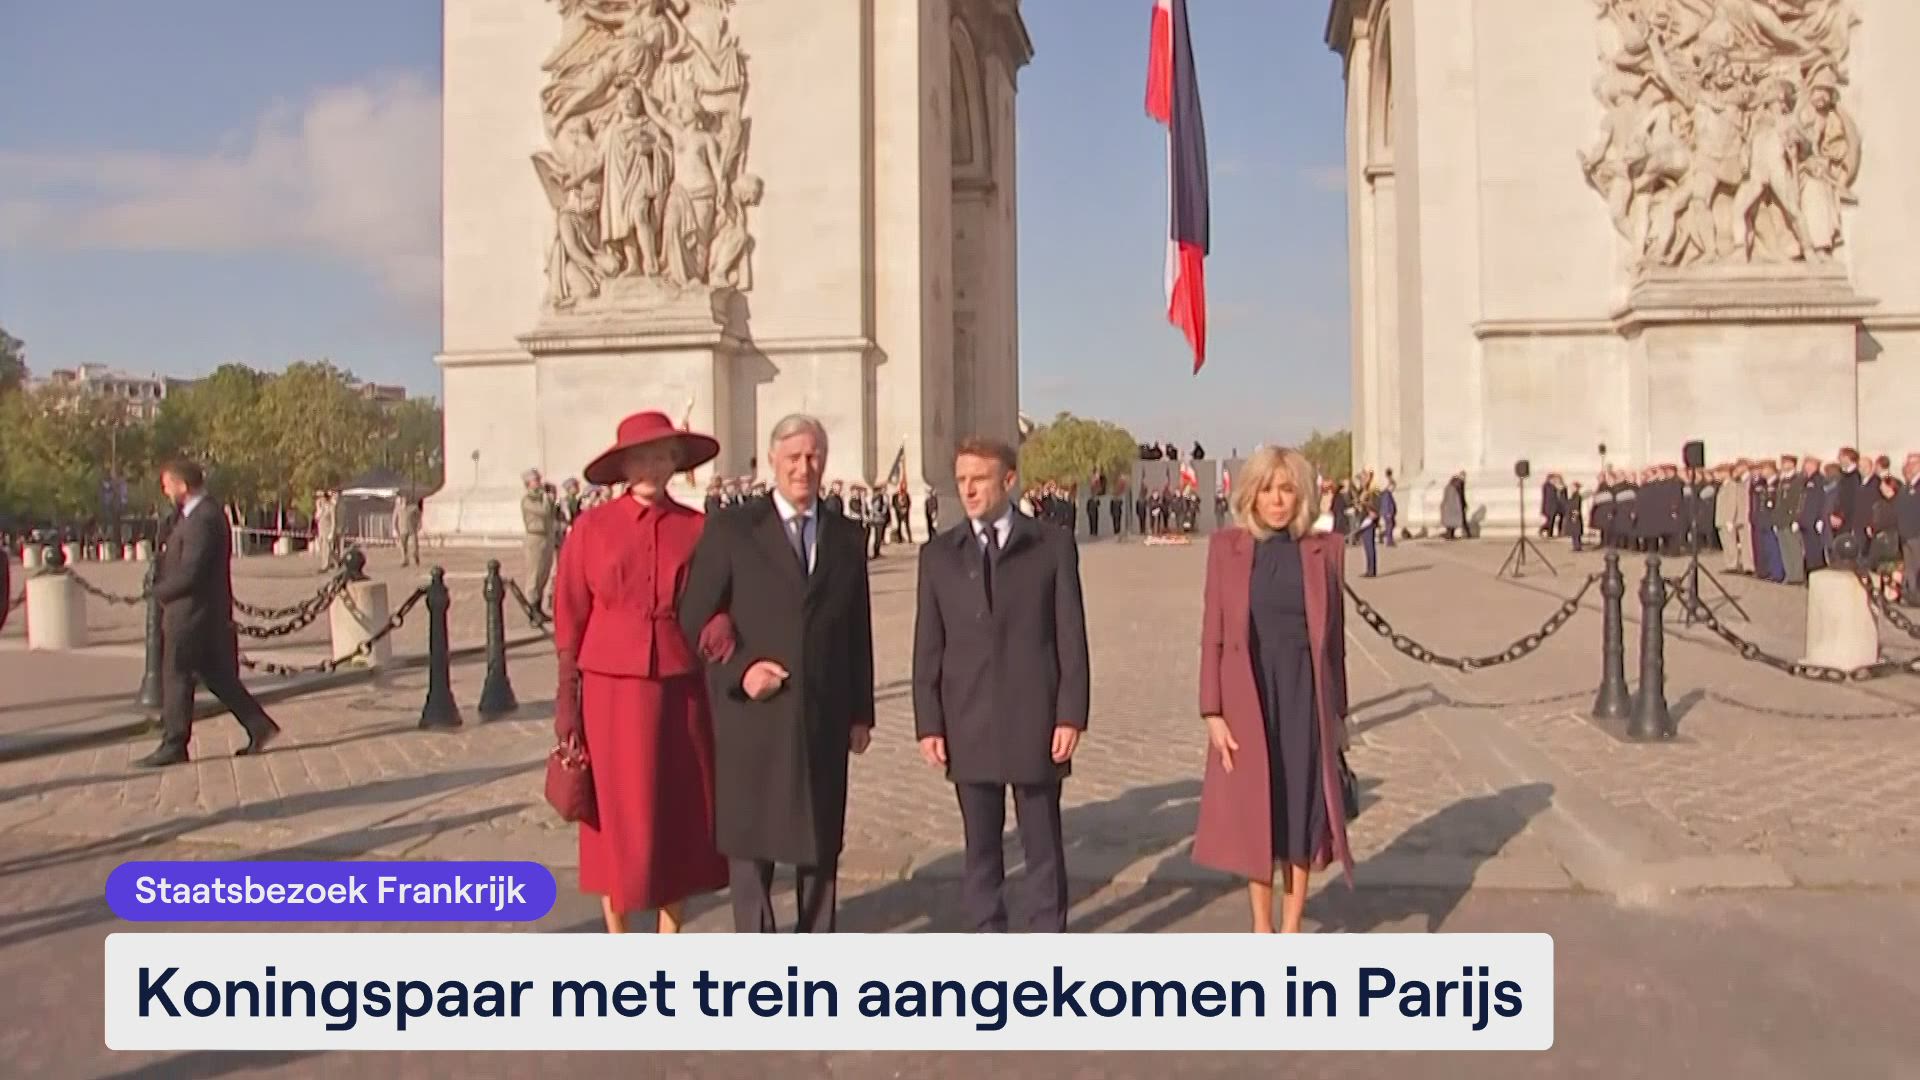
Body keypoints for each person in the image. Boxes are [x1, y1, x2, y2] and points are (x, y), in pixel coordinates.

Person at [679, 414, 876, 933]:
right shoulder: (733, 528)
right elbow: (694, 615)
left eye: (812, 457)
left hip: (823, 714)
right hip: (753, 716)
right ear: (773, 461)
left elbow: (858, 629)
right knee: (752, 847)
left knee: (820, 843)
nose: (803, 468)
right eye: (793, 458)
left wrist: (861, 711)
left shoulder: (846, 536)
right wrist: (740, 672)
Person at [552, 411, 734, 934]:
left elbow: (715, 601)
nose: (653, 466)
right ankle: (618, 934)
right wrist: (567, 698)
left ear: (676, 462)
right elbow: (570, 616)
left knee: (675, 810)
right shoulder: (590, 529)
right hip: (609, 688)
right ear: (624, 466)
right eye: (643, 457)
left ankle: (669, 934)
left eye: (663, 455)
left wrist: (724, 634)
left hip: (681, 684)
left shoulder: (698, 528)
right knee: (616, 816)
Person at [912, 437, 1090, 932]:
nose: (968, 489)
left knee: (1041, 842)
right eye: (962, 479)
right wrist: (929, 722)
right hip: (967, 716)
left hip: (1034, 714)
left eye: (979, 479)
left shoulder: (1051, 545)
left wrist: (1070, 713)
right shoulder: (939, 555)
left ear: (1008, 481)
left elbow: (1070, 637)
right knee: (981, 846)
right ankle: (988, 935)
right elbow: (928, 644)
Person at [1192, 446, 1354, 932]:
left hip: (1306, 698)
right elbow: (1213, 635)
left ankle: (1291, 927)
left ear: (1301, 494)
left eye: (1286, 489)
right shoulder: (1227, 549)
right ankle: (1261, 926)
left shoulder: (1324, 553)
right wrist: (1212, 713)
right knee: (1257, 815)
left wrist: (1340, 716)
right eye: (1267, 489)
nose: (1277, 500)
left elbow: (1335, 646)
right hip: (1250, 697)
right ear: (1252, 495)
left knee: (1300, 810)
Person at [137, 459, 281, 768]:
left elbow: (192, 571)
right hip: (196, 612)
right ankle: (258, 725)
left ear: (183, 486)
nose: (164, 490)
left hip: (193, 613)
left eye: (167, 484)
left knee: (176, 675)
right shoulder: (188, 517)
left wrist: (158, 592)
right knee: (216, 676)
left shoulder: (203, 518)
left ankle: (174, 743)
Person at [522, 470, 558, 609]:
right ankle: (531, 606)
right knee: (535, 573)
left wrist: (552, 497)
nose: (539, 482)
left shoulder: (543, 498)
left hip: (546, 537)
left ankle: (538, 604)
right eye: (535, 480)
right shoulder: (528, 500)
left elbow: (552, 512)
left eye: (539, 479)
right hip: (535, 537)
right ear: (528, 483)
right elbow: (543, 511)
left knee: (544, 572)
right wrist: (546, 496)